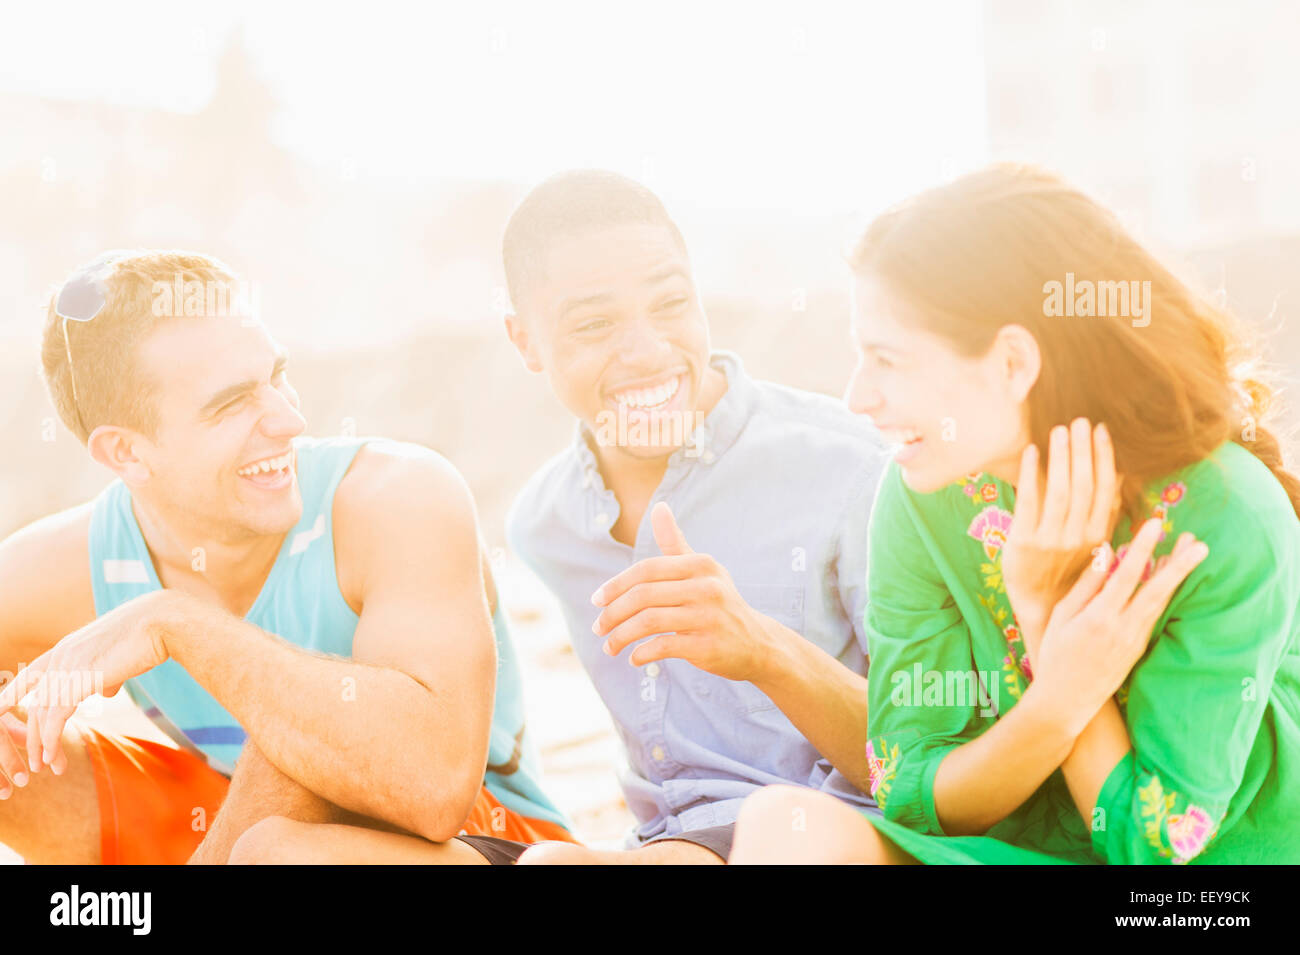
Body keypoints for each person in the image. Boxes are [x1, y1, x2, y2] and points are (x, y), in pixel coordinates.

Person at [728, 163, 1300, 864]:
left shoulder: (1228, 518)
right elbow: (909, 787)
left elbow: (1153, 846)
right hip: (1016, 852)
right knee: (786, 825)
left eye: (886, 358)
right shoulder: (922, 493)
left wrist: (1047, 610)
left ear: (1012, 363)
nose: (857, 396)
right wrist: (1059, 692)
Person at [0, 250, 573, 865]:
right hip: (236, 828)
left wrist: (174, 624)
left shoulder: (397, 497)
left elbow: (434, 792)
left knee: (300, 742)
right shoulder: (71, 563)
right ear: (128, 455)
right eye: (231, 403)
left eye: (277, 376)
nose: (289, 418)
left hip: (476, 842)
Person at [497, 170, 885, 864]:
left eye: (671, 303)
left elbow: (930, 763)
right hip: (670, 846)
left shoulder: (851, 467)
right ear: (525, 341)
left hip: (832, 835)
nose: (648, 351)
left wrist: (764, 649)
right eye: (594, 323)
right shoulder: (542, 525)